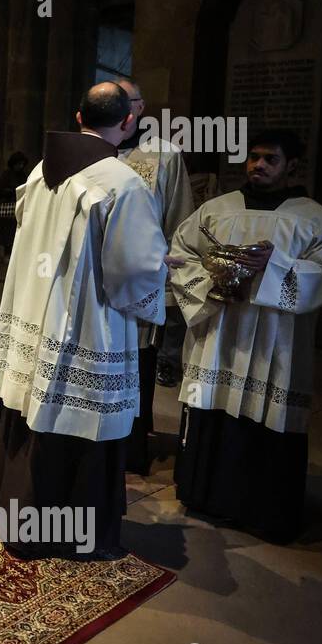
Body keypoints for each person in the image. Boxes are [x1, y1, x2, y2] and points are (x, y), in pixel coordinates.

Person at [0, 82, 169, 559]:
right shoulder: (123, 183)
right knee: (78, 416)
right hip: (90, 326)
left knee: (31, 406)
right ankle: (73, 532)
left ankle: (19, 516)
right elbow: (134, 272)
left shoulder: (46, 166)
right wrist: (161, 282)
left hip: (32, 316)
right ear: (128, 123)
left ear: (78, 115)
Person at [169, 129, 322, 543]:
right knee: (214, 412)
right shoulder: (217, 210)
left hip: (276, 343)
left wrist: (277, 265)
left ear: (292, 166)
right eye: (254, 157)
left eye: (271, 159)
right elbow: (180, 254)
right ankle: (205, 497)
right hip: (219, 334)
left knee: (267, 419)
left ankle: (262, 511)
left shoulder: (319, 220)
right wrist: (213, 283)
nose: (259, 165)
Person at [115, 77, 195, 471]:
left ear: (140, 107)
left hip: (141, 284)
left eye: (124, 101)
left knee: (137, 367)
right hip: (92, 287)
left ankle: (130, 447)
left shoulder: (162, 155)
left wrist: (167, 284)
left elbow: (180, 219)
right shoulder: (91, 150)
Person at [0, 152, 28, 256]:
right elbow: (0, 190)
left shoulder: (23, 175)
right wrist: (13, 191)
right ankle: (6, 252)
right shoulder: (7, 175)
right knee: (7, 231)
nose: (20, 166)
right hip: (8, 206)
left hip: (18, 204)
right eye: (18, 164)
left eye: (22, 164)